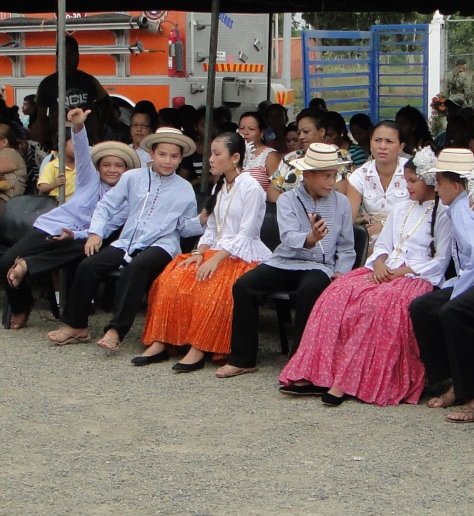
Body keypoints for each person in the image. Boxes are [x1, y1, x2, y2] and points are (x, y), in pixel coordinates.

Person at [277, 149, 449, 406]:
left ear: (430, 181)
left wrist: (400, 272)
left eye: (413, 181)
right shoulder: (401, 208)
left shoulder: (443, 214)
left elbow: (440, 261)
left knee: (378, 305)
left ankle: (347, 380)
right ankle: (317, 371)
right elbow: (384, 245)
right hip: (385, 269)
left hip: (415, 277)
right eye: (405, 179)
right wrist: (379, 263)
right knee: (335, 295)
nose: (407, 186)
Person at [47, 127, 201, 353]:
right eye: (162, 154)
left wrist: (204, 219)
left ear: (180, 158)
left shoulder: (185, 188)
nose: (168, 161)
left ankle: (116, 330)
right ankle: (77, 326)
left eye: (174, 156)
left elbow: (186, 229)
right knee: (88, 265)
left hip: (163, 244)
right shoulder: (132, 177)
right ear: (151, 153)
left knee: (136, 268)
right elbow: (106, 206)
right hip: (129, 240)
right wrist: (96, 232)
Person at [135, 132, 270, 372]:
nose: (210, 159)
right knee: (173, 277)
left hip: (243, 255)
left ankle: (199, 347)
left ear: (235, 157)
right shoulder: (221, 185)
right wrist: (200, 252)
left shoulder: (251, 187)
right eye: (211, 153)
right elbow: (211, 228)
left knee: (213, 285)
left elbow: (246, 233)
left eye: (217, 154)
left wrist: (216, 259)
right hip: (216, 250)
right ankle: (162, 341)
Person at [220, 143, 357, 379]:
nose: (331, 182)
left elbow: (347, 246)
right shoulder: (287, 200)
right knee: (244, 285)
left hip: (319, 266)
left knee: (310, 288)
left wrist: (341, 271)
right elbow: (289, 237)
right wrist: (310, 238)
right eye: (326, 176)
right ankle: (243, 359)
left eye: (334, 175)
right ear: (308, 175)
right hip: (285, 261)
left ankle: (300, 361)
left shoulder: (341, 203)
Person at [0, 108, 134, 330]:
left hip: (83, 238)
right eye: (107, 165)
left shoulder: (127, 200)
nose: (112, 170)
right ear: (98, 167)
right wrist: (78, 126)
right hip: (53, 226)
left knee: (90, 245)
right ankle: (22, 304)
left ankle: (28, 266)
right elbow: (81, 151)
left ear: (127, 170)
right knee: (5, 261)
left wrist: (74, 234)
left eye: (119, 166)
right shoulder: (89, 179)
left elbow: (105, 230)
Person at [409, 149, 474, 422]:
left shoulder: (464, 207)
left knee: (453, 312)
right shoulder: (461, 204)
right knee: (423, 306)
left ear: (455, 185)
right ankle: (454, 379)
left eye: (439, 183)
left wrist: (461, 290)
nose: (436, 189)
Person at [345, 121, 409, 238]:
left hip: (406, 234)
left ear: (401, 147)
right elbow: (349, 219)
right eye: (377, 140)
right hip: (371, 236)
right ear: (370, 144)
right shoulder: (359, 176)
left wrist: (385, 225)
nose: (382, 146)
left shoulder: (412, 174)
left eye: (389, 141)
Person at [267, 108, 348, 200]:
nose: (301, 136)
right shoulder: (290, 158)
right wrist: (289, 208)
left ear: (321, 132)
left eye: (306, 132)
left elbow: (337, 193)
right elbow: (272, 190)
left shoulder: (340, 157)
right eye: (299, 132)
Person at [237, 110, 281, 188]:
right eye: (241, 128)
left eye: (251, 129)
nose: (245, 132)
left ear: (261, 133)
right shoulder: (233, 153)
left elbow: (277, 188)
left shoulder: (269, 156)